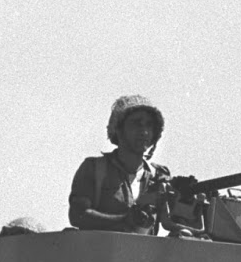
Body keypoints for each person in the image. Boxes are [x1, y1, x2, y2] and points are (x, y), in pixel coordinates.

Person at [68, 95, 190, 235]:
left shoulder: (159, 176)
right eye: (136, 123)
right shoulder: (94, 168)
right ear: (118, 129)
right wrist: (125, 220)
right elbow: (78, 215)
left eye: (149, 125)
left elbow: (174, 223)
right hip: (100, 254)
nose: (144, 131)